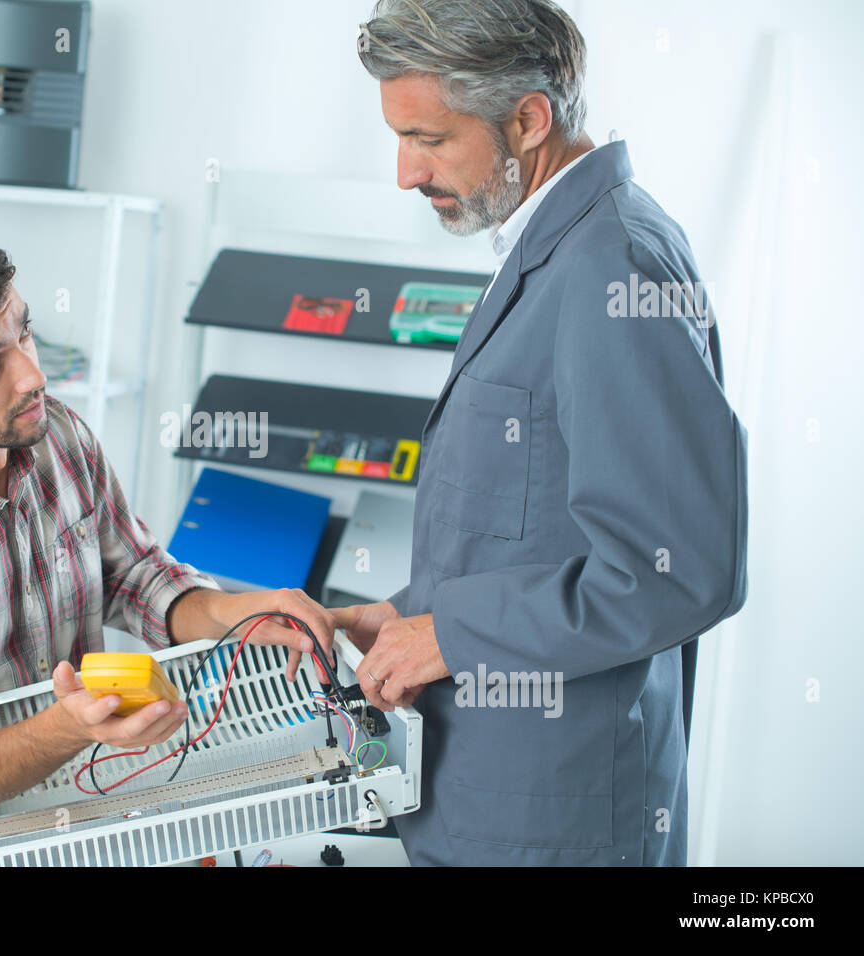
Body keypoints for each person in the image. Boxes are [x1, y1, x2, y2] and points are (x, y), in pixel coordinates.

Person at [333, 0, 748, 864]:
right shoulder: (548, 247)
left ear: (528, 120)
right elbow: (532, 530)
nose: (406, 173)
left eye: (429, 139)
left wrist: (450, 634)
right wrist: (410, 616)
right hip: (479, 799)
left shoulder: (614, 265)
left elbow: (679, 572)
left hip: (556, 827)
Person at [0, 232, 336, 823]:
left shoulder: (56, 434)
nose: (33, 376)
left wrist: (238, 613)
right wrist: (71, 727)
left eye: (24, 333)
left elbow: (133, 577)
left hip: (74, 788)